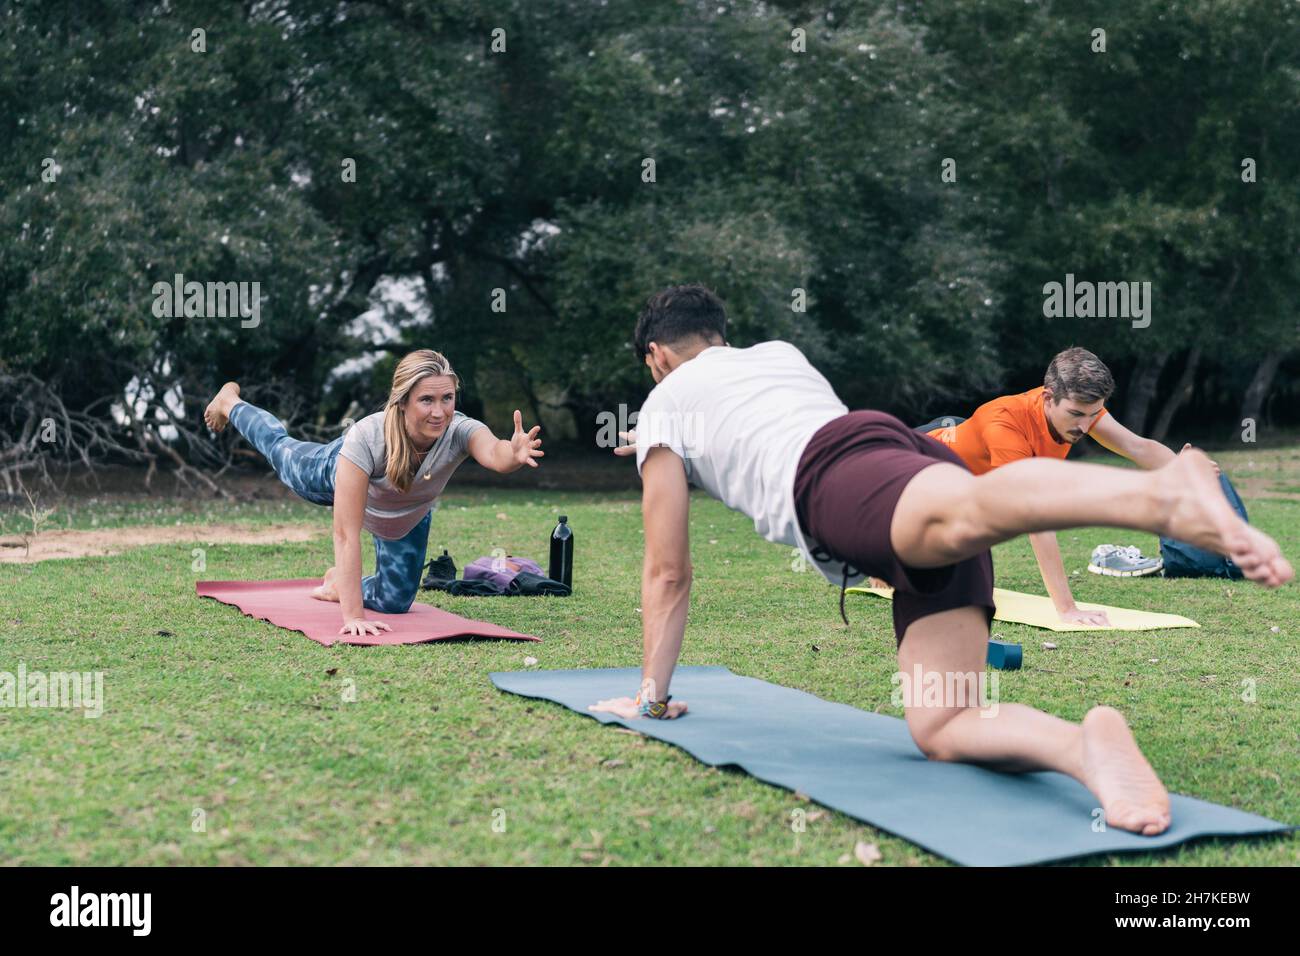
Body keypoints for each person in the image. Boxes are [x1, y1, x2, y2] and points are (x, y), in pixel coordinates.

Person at [594, 284, 1290, 836]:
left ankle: (1162, 498)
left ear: (656, 356)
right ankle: (1087, 749)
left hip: (840, 477)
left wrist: (651, 696)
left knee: (970, 509)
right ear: (719, 334)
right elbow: (752, 420)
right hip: (891, 457)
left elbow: (668, 570)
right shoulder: (775, 353)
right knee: (944, 723)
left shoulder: (663, 404)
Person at [202, 349, 544, 637]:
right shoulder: (368, 436)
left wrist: (512, 455)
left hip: (402, 516)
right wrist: (353, 617)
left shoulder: (460, 430)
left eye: (447, 398)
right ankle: (231, 402)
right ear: (402, 401)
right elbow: (345, 533)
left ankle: (338, 584)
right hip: (332, 473)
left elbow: (494, 453)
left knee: (396, 601)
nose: (439, 411)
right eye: (426, 399)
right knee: (280, 449)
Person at [922, 348, 1197, 625]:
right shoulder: (1004, 425)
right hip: (920, 459)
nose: (1087, 426)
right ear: (1048, 398)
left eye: (1094, 414)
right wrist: (1066, 609)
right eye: (1076, 414)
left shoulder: (1081, 412)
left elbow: (1136, 446)